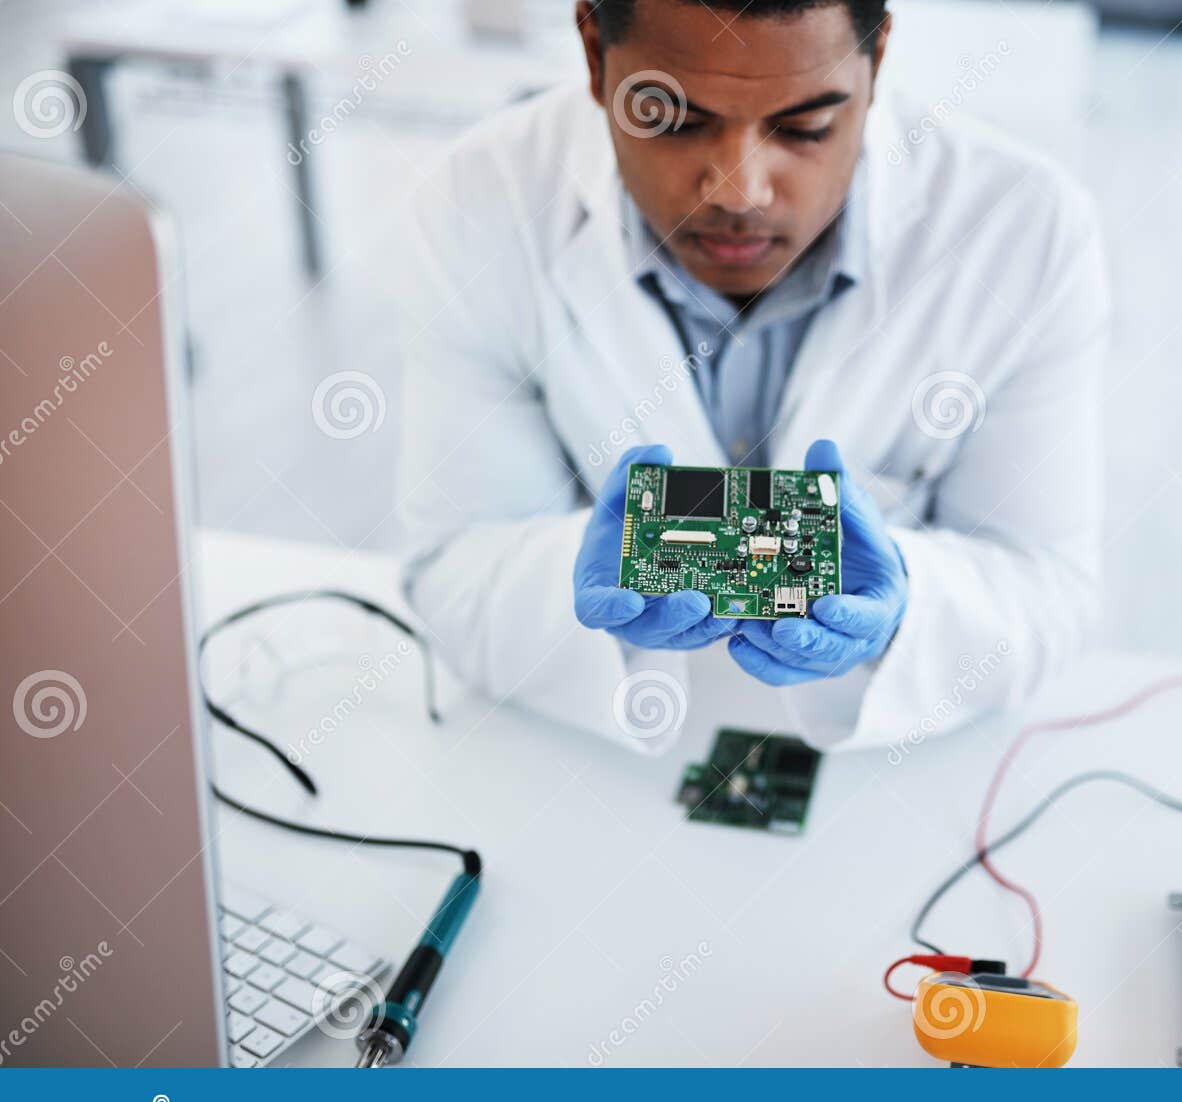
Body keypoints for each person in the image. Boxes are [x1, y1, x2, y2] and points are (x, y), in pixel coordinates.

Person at [397, 0, 1109, 751]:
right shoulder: (480, 203)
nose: (739, 192)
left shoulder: (1025, 230)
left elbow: (1045, 591)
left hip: (891, 762)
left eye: (805, 128)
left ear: (879, 58)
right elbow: (453, 572)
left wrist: (907, 602)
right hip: (588, 746)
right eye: (673, 118)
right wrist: (573, 573)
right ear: (593, 49)